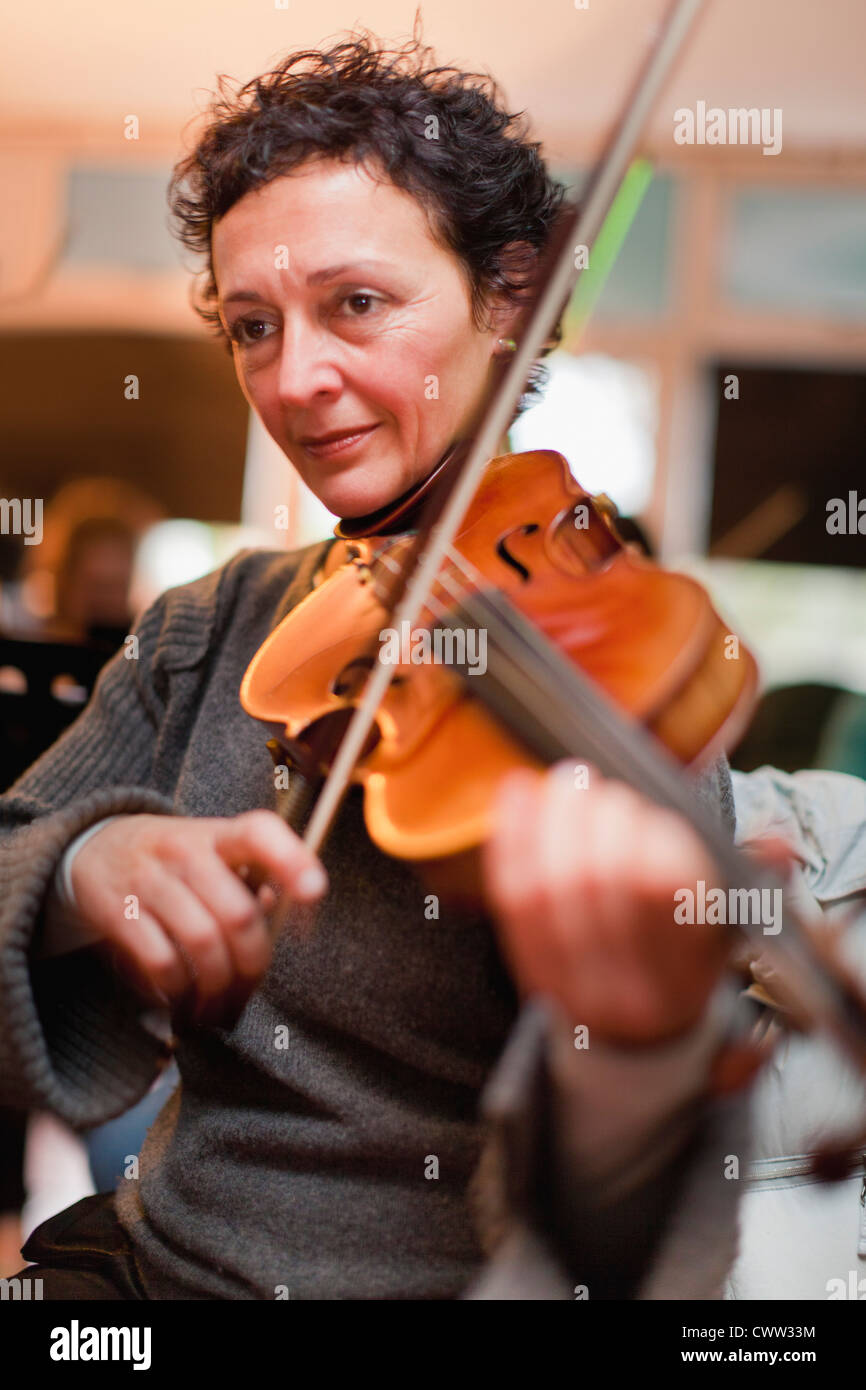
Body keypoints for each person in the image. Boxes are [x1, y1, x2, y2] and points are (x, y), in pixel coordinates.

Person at [0, 30, 754, 1301]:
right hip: (136, 1283)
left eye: (356, 303)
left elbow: (612, 1245)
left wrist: (633, 1056)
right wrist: (79, 869)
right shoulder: (212, 623)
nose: (295, 382)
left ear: (507, 297)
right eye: (252, 326)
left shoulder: (604, 670)